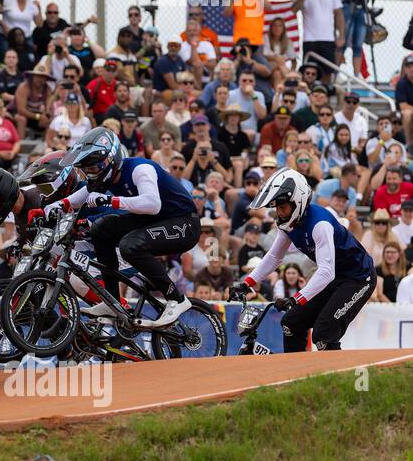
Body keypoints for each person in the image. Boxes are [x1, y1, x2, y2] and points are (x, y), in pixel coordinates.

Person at [47, 127, 200, 328]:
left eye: (94, 168)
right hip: (154, 220)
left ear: (110, 161)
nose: (91, 174)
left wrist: (112, 201)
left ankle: (176, 299)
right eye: (87, 169)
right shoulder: (104, 176)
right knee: (101, 229)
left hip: (184, 223)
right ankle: (112, 301)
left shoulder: (140, 169)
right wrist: (57, 206)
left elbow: (153, 204)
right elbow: (81, 196)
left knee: (130, 245)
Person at [231, 168, 376, 351]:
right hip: (335, 275)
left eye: (282, 207)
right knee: (291, 323)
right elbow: (275, 256)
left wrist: (296, 298)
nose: (279, 213)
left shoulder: (319, 224)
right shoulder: (289, 223)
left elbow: (326, 271)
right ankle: (296, 375)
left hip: (358, 278)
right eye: (276, 208)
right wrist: (247, 283)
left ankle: (336, 376)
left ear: (297, 203)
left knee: (323, 334)